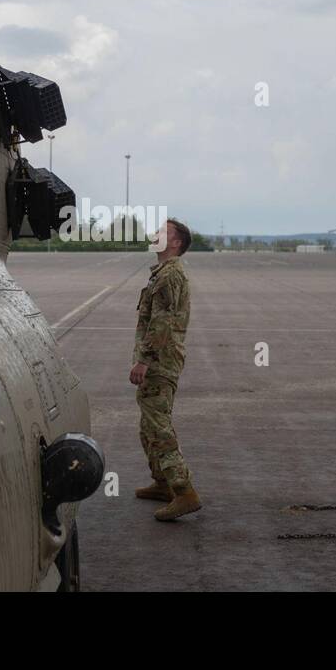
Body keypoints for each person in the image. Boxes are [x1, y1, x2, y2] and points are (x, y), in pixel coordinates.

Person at [130, 218, 201, 521]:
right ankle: (162, 483)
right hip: (158, 360)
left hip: (160, 361)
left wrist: (144, 360)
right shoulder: (162, 273)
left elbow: (162, 322)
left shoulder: (170, 275)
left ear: (175, 243)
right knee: (149, 426)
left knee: (158, 427)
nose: (154, 235)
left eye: (162, 232)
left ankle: (184, 491)